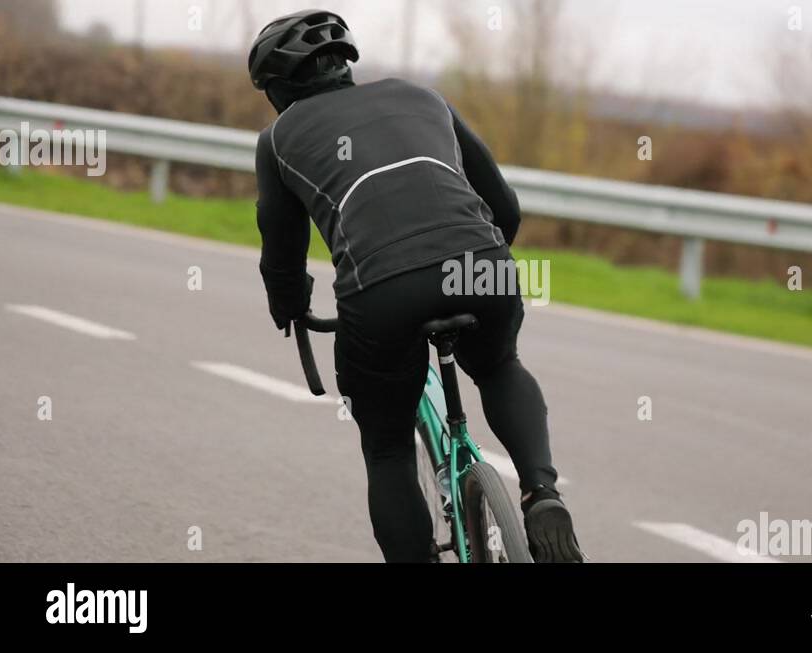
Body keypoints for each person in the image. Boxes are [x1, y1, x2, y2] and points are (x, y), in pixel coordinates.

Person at [248, 9, 583, 563]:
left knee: (386, 445)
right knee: (499, 365)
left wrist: (290, 307)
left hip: (383, 290)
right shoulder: (423, 97)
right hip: (481, 261)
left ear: (279, 89)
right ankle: (542, 494)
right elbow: (504, 206)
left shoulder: (279, 138)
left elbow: (281, 251)